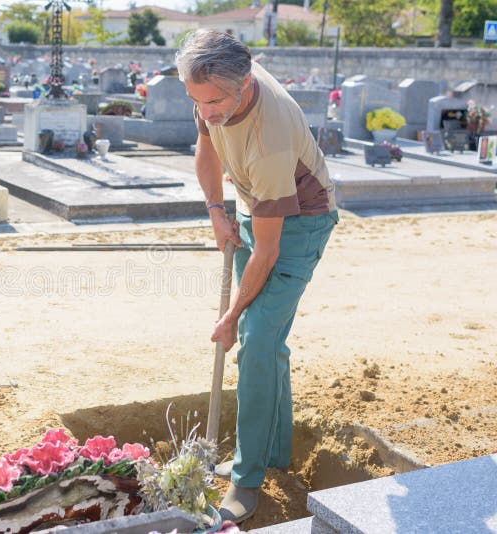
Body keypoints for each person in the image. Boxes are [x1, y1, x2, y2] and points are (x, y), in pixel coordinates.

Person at [176, 29, 338, 523]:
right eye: (195, 101)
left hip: (299, 227)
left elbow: (267, 253)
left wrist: (230, 315)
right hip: (255, 211)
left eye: (213, 102)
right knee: (267, 341)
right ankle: (273, 451)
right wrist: (215, 210)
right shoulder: (211, 82)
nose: (204, 111)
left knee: (256, 340)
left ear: (245, 84)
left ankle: (247, 479)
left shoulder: (271, 136)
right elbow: (206, 145)